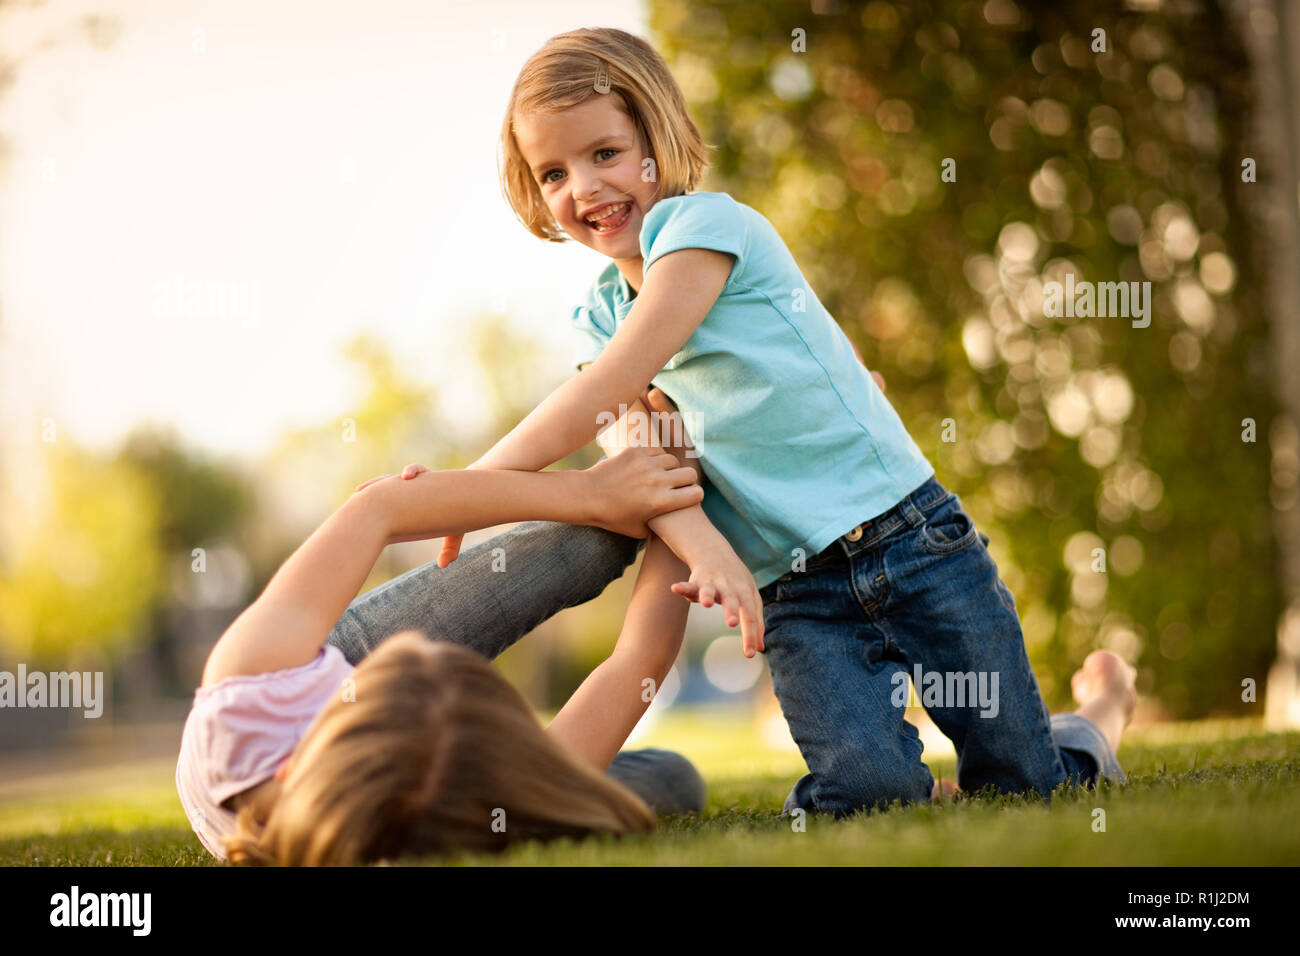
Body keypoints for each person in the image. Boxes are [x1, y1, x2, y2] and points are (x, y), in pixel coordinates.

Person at [400, 25, 1137, 817]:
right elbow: (646, 466)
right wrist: (710, 553)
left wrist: (468, 489)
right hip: (796, 590)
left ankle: (1100, 715)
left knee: (1024, 784)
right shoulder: (593, 320)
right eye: (553, 172)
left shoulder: (707, 230)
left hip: (911, 539)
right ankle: (903, 777)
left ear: (658, 138)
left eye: (605, 154)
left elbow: (612, 386)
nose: (583, 187)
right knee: (866, 796)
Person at [175, 446, 707, 865]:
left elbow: (378, 507)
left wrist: (591, 491)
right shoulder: (496, 805)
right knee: (673, 780)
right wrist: (692, 498)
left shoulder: (252, 683)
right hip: (423, 780)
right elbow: (641, 657)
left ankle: (622, 485)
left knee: (596, 536)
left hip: (305, 700)